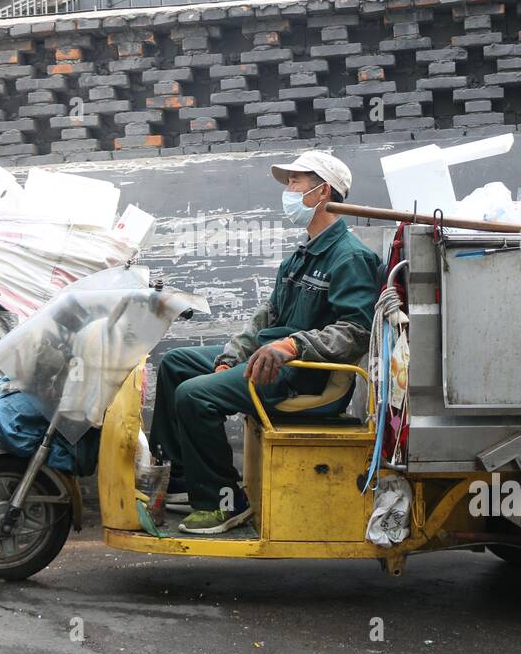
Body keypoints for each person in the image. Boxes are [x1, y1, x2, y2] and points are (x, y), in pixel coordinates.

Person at [148, 151, 381, 534]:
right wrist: (231, 354)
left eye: (295, 182)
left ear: (322, 192)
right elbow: (266, 317)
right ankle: (185, 479)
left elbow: (357, 329)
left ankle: (224, 501)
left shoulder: (350, 257)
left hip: (304, 374)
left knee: (194, 395)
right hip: (270, 358)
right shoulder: (302, 254)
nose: (288, 191)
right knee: (177, 364)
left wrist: (293, 346)